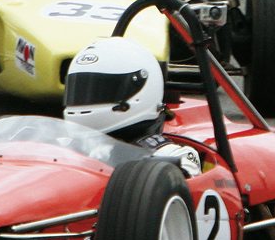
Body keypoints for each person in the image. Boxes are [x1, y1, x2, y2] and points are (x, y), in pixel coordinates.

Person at [63, 36, 202, 176]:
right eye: (80, 90)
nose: (86, 98)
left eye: (100, 90)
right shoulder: (61, 147)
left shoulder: (171, 156)